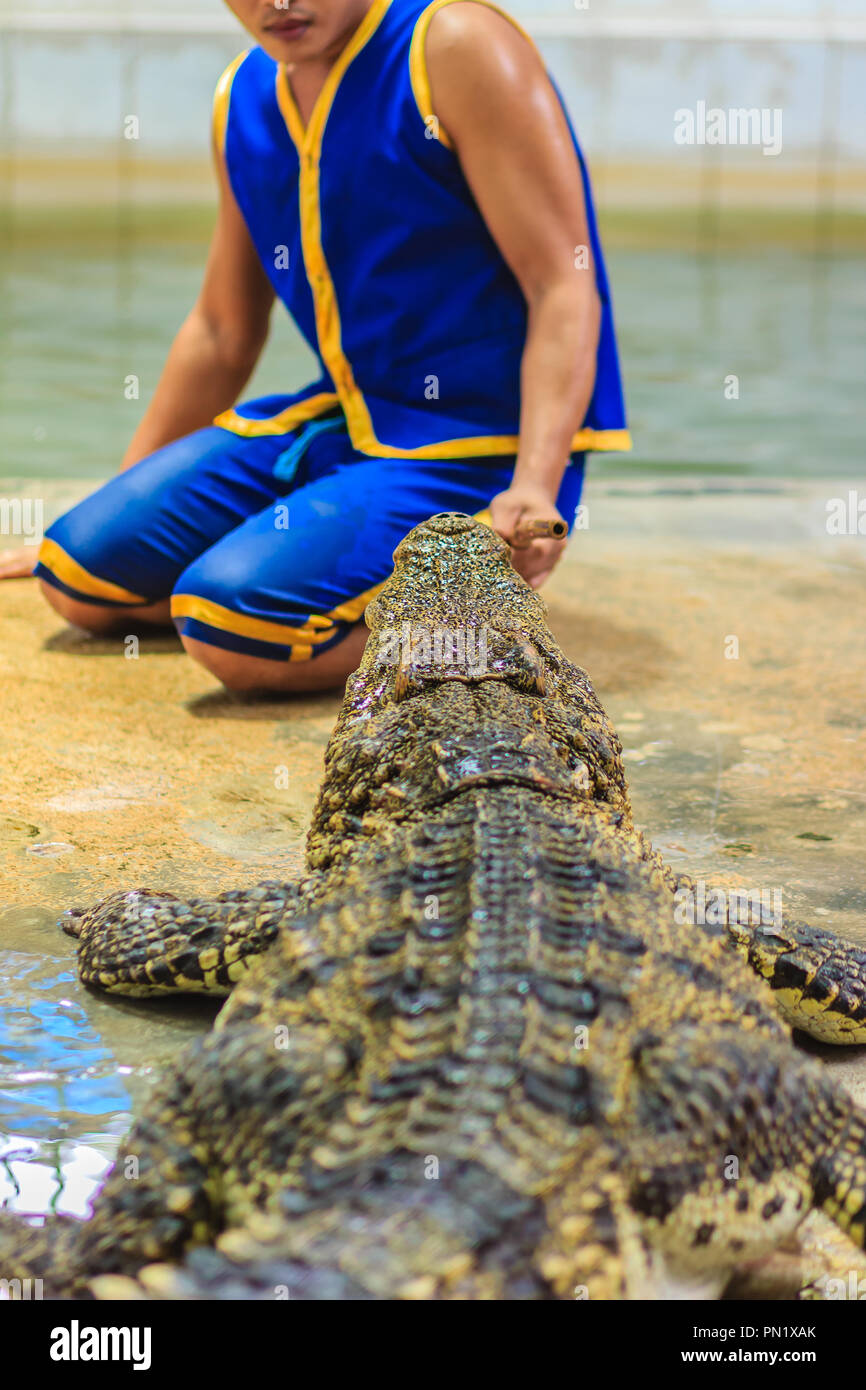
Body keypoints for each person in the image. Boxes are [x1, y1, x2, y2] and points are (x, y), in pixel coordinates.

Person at [20, 0, 630, 694]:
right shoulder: (244, 95)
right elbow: (222, 330)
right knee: (78, 578)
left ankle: (483, 630)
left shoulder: (451, 47)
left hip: (483, 447)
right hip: (348, 423)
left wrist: (536, 483)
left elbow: (563, 283)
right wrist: (124, 504)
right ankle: (311, 590)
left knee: (236, 633)